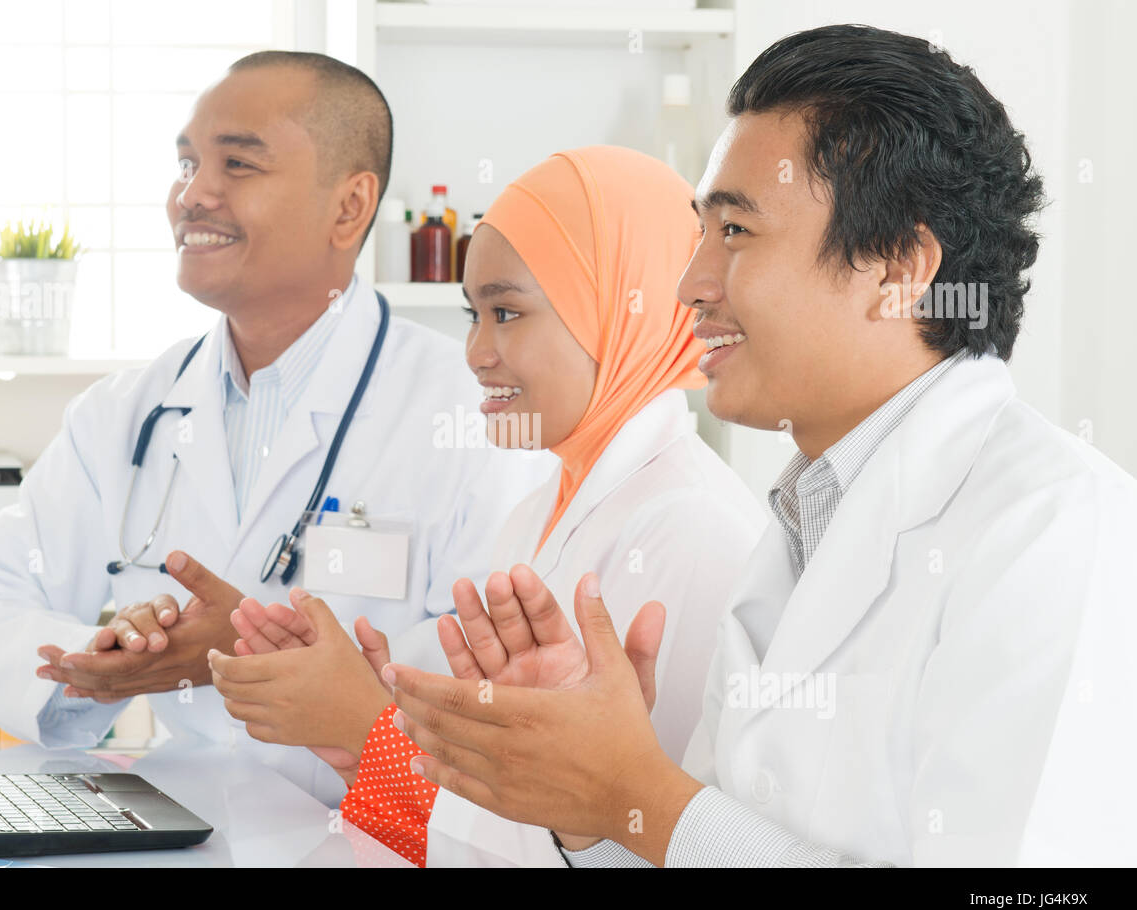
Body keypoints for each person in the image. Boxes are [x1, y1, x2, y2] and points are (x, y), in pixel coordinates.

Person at [378, 24, 1137, 866]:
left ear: (897, 267)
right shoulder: (802, 518)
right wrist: (592, 809)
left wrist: (639, 794)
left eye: (734, 232)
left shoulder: (1057, 526)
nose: (690, 285)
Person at [0, 51, 548, 804]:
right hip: (175, 827)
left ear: (348, 207)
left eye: (238, 164)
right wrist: (103, 658)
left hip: (376, 833)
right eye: (188, 162)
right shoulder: (128, 412)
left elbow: (490, 683)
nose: (192, 194)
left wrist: (248, 649)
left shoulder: (474, 414)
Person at [209, 145, 767, 866]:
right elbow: (497, 812)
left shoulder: (690, 527)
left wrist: (363, 718)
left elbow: (641, 841)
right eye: (471, 313)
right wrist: (369, 731)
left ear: (615, 311)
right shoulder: (535, 514)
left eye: (506, 312)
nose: (474, 351)